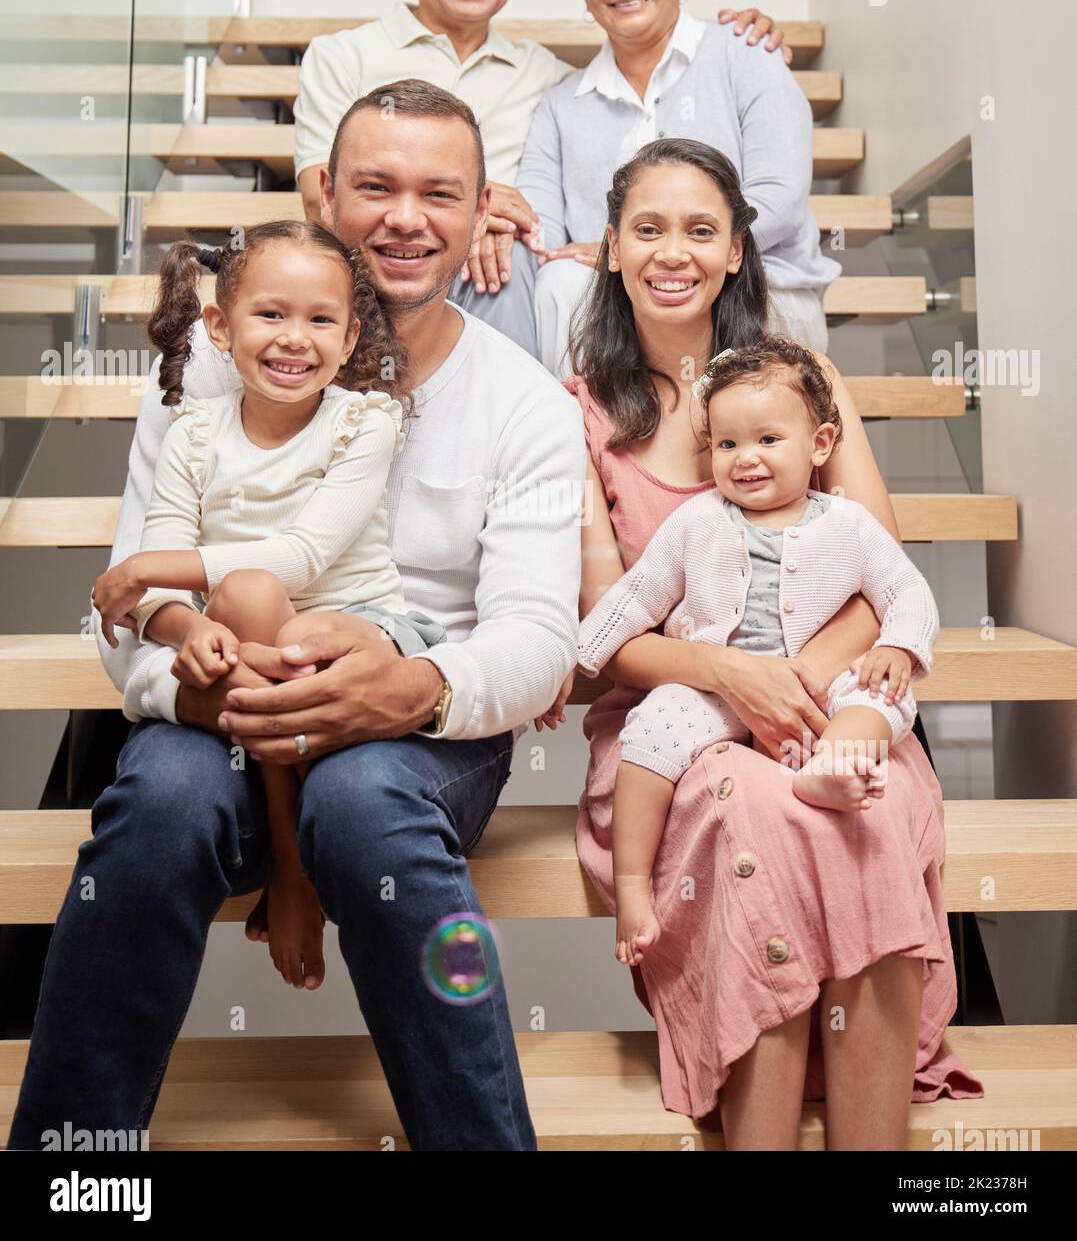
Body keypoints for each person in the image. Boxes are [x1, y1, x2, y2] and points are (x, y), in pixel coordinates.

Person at [8, 80, 586, 1152]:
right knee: (162, 807)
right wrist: (195, 675)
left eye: (438, 194)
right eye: (374, 186)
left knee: (362, 802)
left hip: (418, 730)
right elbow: (130, 602)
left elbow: (539, 638)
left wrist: (415, 686)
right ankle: (71, 1176)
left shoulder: (525, 405)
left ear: (476, 214)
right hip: (225, 714)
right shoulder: (199, 377)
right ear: (323, 194)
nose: (405, 217)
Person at [547, 136, 983, 1148]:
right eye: (648, 228)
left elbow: (882, 575)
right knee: (757, 815)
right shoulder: (575, 413)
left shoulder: (805, 381)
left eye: (701, 230)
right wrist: (728, 676)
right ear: (610, 247)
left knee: (870, 806)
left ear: (738, 248)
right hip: (672, 716)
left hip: (823, 699)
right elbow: (611, 629)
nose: (674, 252)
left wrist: (799, 684)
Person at [89, 220, 447, 991]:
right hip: (241, 642)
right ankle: (290, 865)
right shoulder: (192, 432)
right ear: (219, 326)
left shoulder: (365, 422)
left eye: (321, 320)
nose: (296, 339)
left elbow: (300, 558)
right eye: (271, 315)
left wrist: (154, 575)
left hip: (355, 633)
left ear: (352, 338)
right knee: (236, 606)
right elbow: (158, 598)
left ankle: (287, 865)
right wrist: (187, 627)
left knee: (252, 588)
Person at [294, 0, 793, 356]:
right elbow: (324, 200)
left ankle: (525, 434)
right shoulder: (344, 56)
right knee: (534, 273)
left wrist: (487, 221)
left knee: (508, 270)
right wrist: (470, 214)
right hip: (389, 254)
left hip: (493, 265)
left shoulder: (547, 76)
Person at [573, 334, 940, 967]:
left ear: (819, 445)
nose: (746, 459)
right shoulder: (695, 523)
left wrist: (902, 650)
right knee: (652, 729)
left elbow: (907, 589)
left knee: (879, 703)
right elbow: (637, 598)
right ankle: (634, 886)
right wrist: (575, 660)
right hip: (720, 691)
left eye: (768, 440)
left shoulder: (849, 524)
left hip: (822, 689)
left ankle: (834, 767)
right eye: (727, 444)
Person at [471, 0, 840, 375]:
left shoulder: (746, 54)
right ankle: (577, 446)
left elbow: (781, 197)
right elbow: (543, 232)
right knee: (559, 281)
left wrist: (664, 253)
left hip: (754, 289)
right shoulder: (561, 105)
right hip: (618, 303)